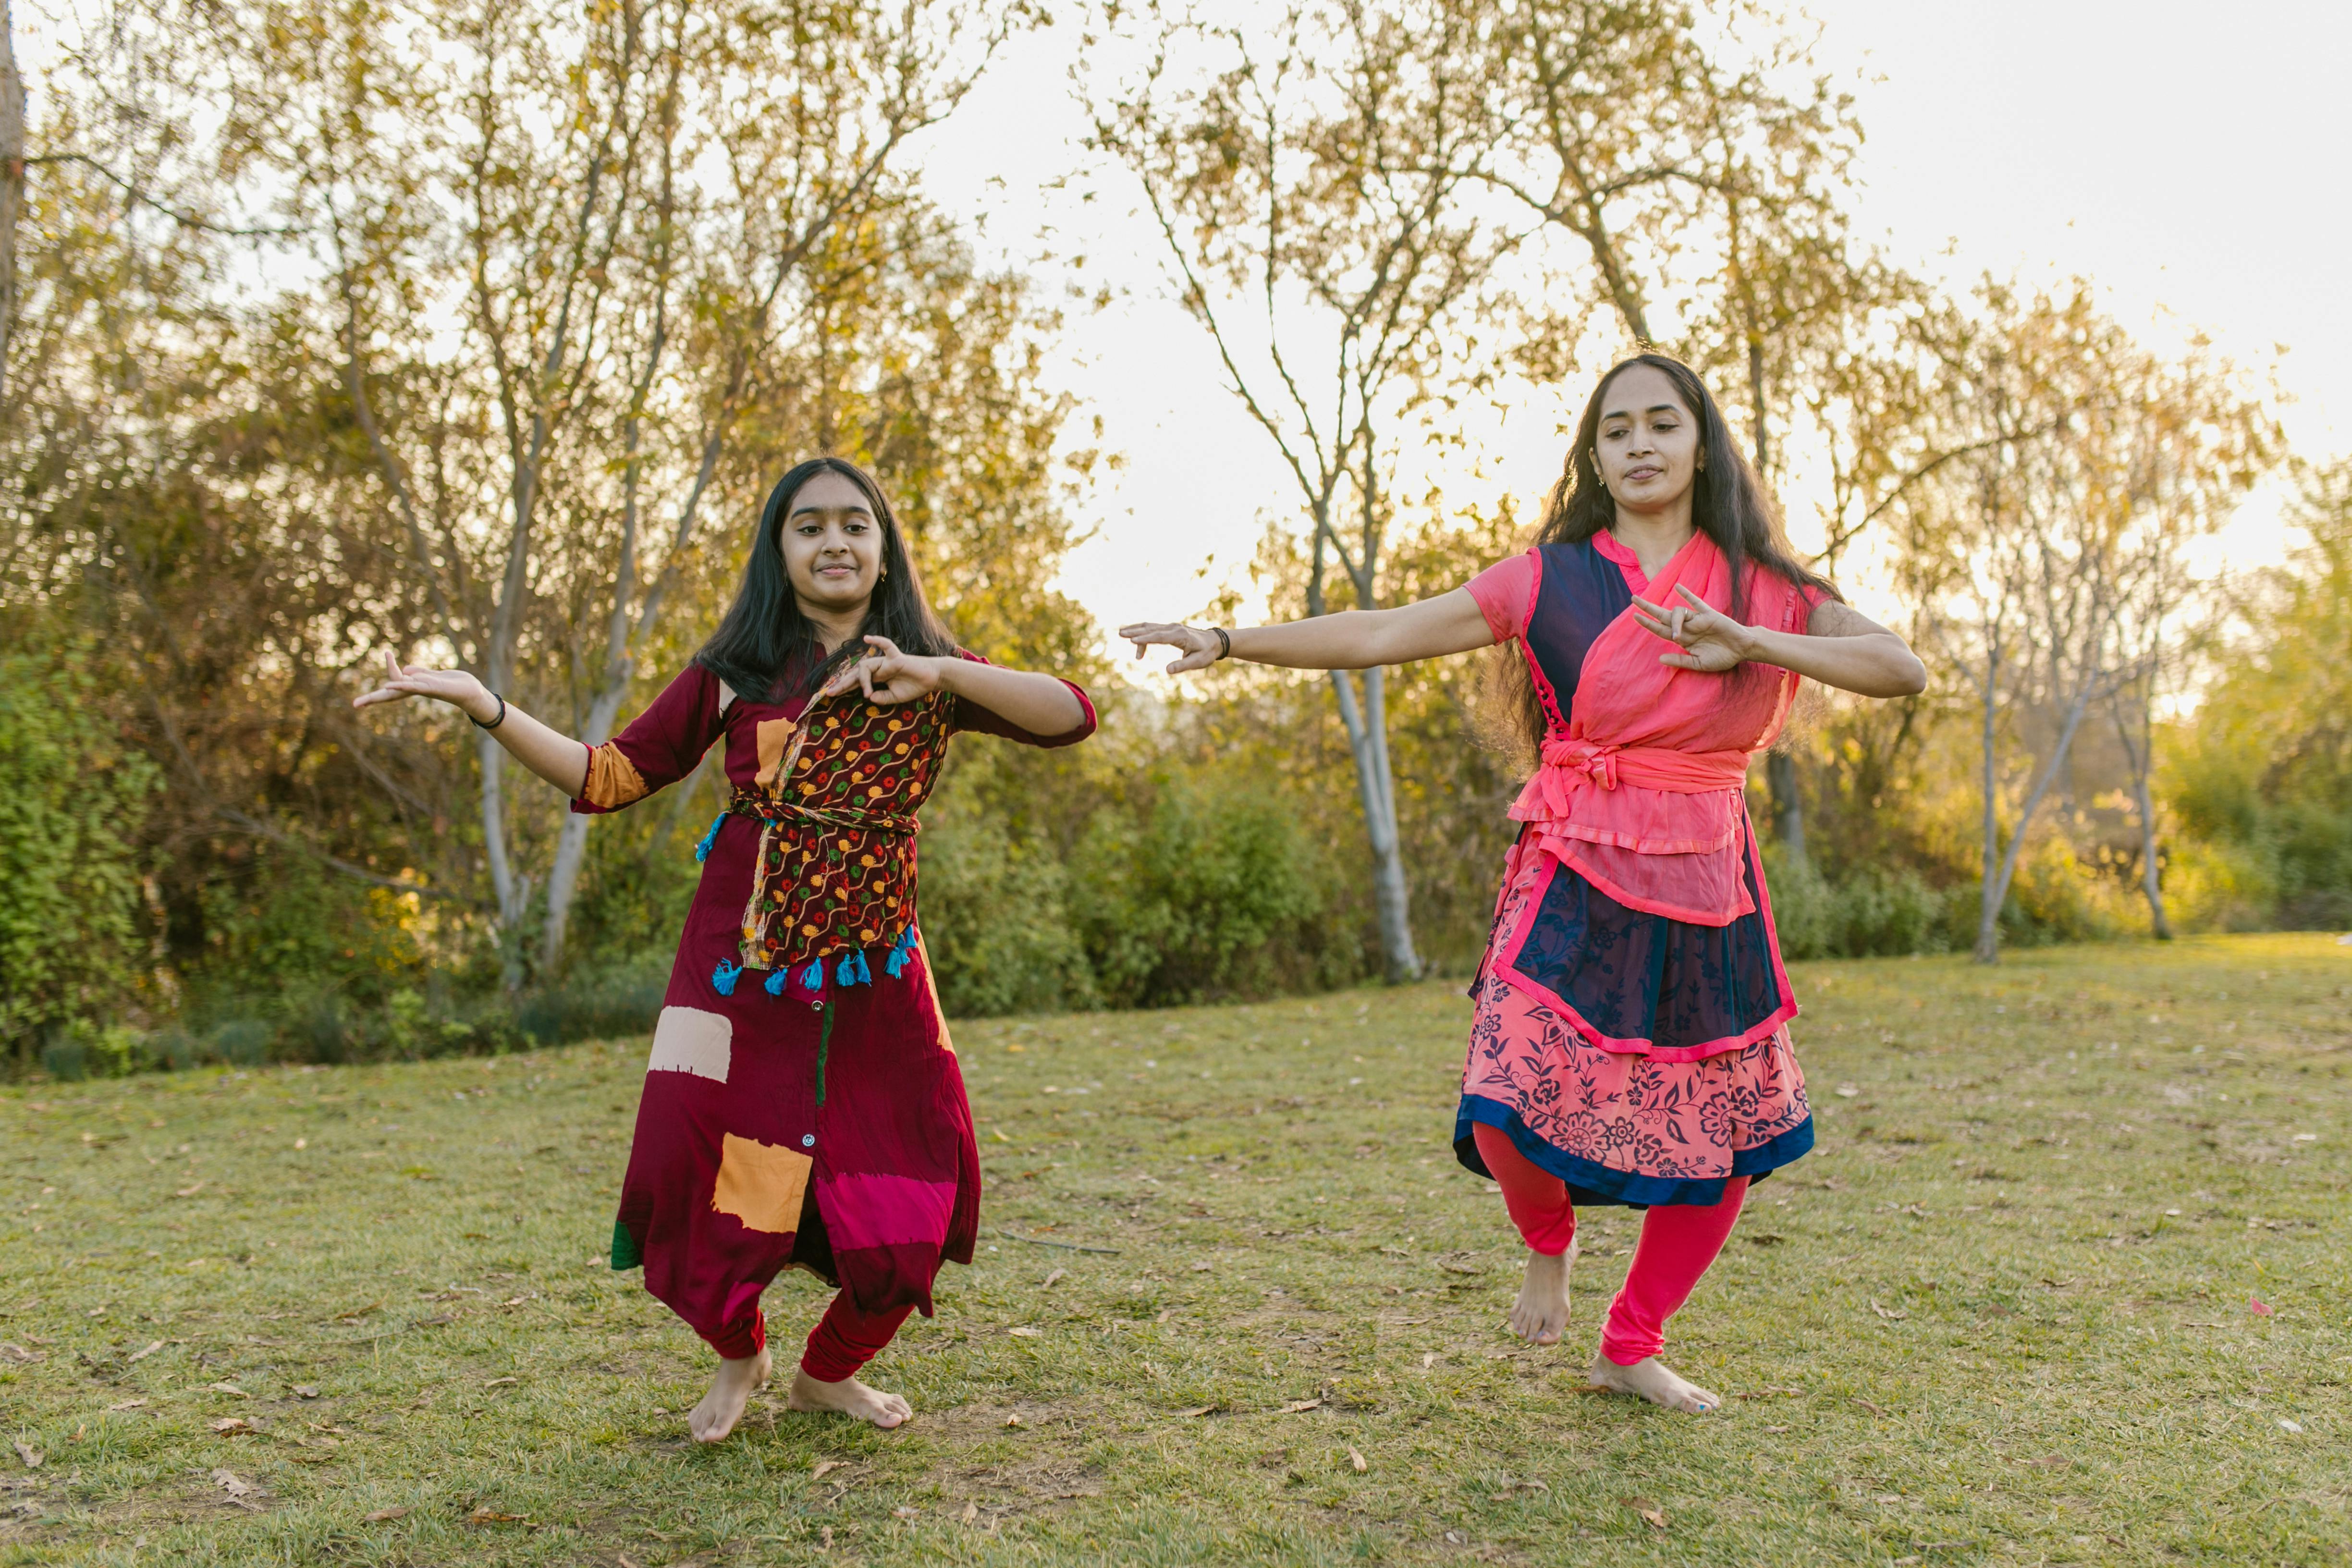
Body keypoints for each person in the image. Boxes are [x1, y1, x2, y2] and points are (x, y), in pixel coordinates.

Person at [1122, 354, 1925, 1414]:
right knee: (1502, 1102)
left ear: (1700, 443)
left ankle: (1629, 1343)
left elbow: (1898, 665)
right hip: (1573, 862)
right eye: (1617, 429)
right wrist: (1226, 639)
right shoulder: (1545, 578)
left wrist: (1747, 637)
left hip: (1707, 879)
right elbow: (1378, 633)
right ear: (1594, 455)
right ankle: (1549, 1237)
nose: (1640, 444)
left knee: (1725, 1146)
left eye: (1662, 424)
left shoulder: (1761, 581)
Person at [356, 457, 1096, 1440]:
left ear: (883, 552)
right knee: (696, 1166)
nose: (834, 541)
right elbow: (608, 776)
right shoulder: (736, 674)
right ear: (779, 552)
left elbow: (1074, 715)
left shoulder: (931, 670)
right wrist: (486, 704)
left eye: (854, 525)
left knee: (917, 1172)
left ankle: (828, 1374)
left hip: (877, 970)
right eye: (809, 526)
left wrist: (944, 671)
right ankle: (740, 1354)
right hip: (736, 969)